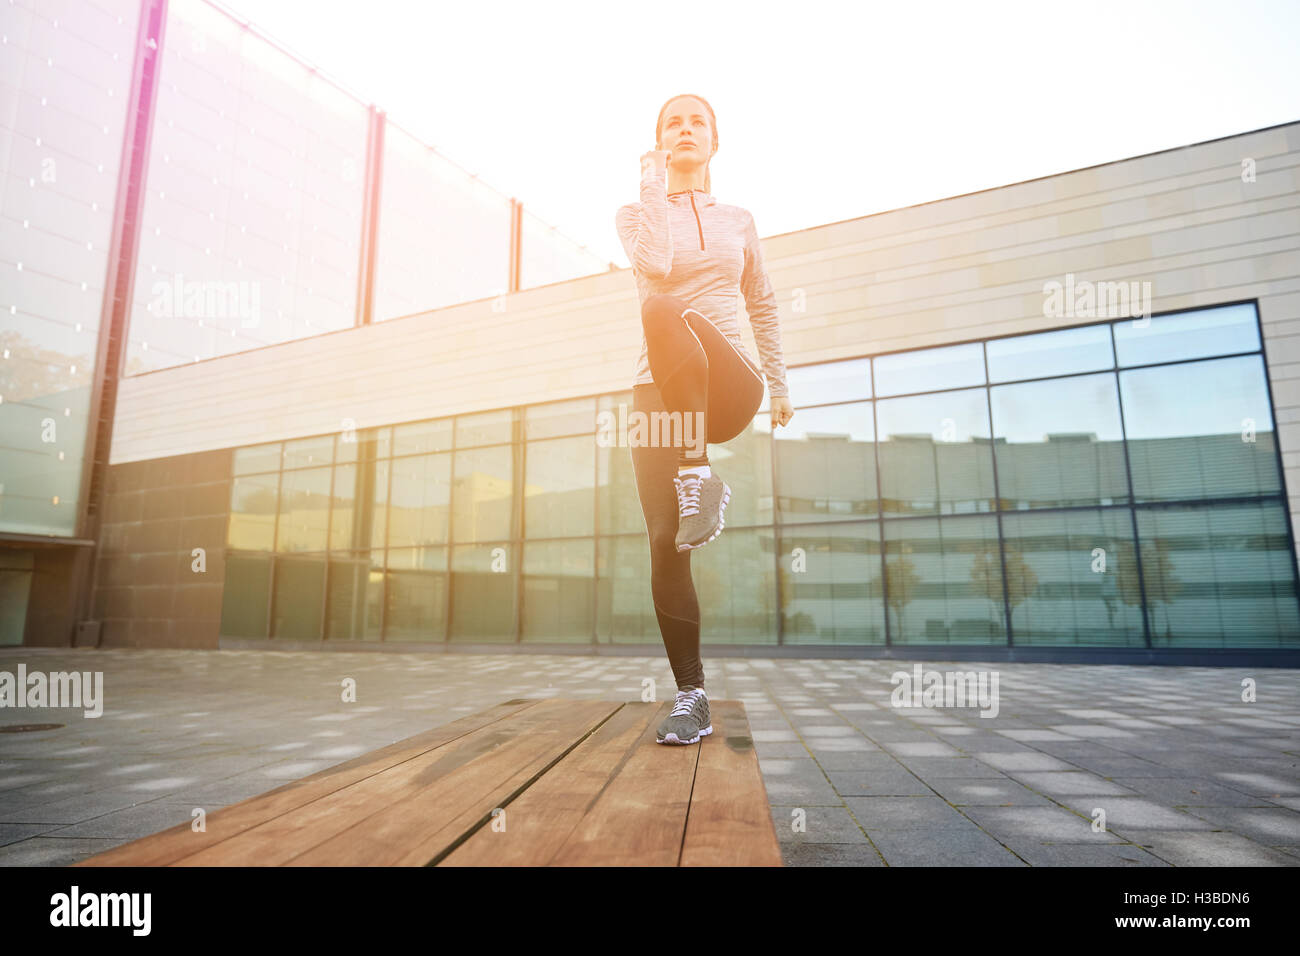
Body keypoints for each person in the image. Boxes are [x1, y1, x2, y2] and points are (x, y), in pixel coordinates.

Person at [614, 93, 794, 745]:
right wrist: (651, 184)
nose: (685, 129)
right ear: (659, 142)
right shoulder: (636, 214)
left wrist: (778, 384)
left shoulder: (739, 221)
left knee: (663, 311)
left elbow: (765, 304)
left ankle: (699, 473)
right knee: (665, 540)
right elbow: (657, 266)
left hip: (729, 383)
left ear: (715, 143)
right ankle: (692, 695)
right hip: (655, 394)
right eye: (672, 123)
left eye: (697, 123)